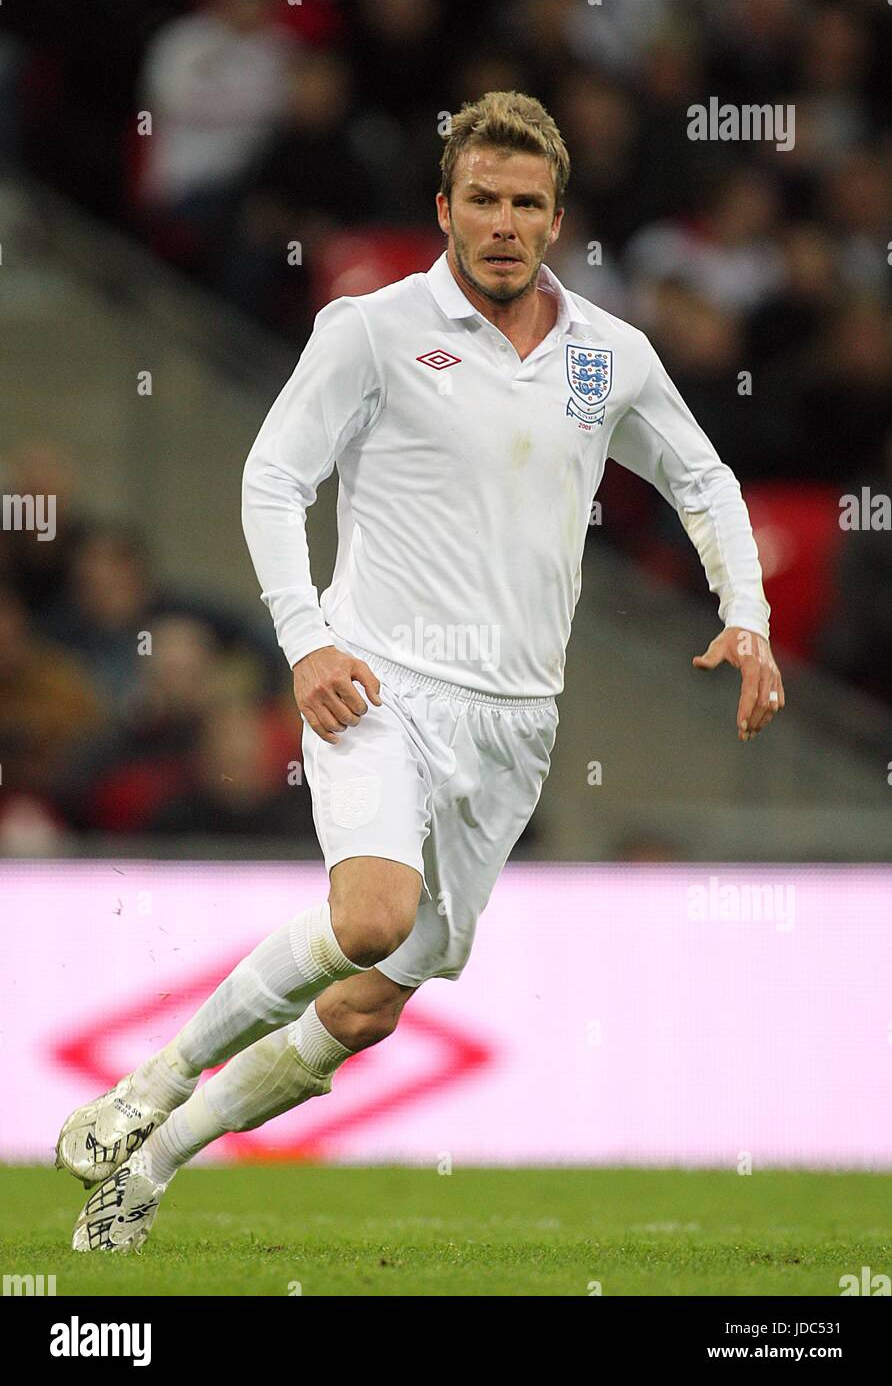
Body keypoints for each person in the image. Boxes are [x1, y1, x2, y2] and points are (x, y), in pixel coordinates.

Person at [58, 91, 784, 1252]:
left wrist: (744, 612)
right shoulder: (371, 328)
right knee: (370, 914)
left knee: (369, 1005)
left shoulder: (609, 355)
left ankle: (154, 1160)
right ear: (444, 208)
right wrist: (306, 642)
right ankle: (154, 1078)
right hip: (378, 684)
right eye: (482, 200)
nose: (504, 222)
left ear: (556, 218)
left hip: (516, 724)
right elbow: (271, 479)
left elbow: (700, 481)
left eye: (527, 203)